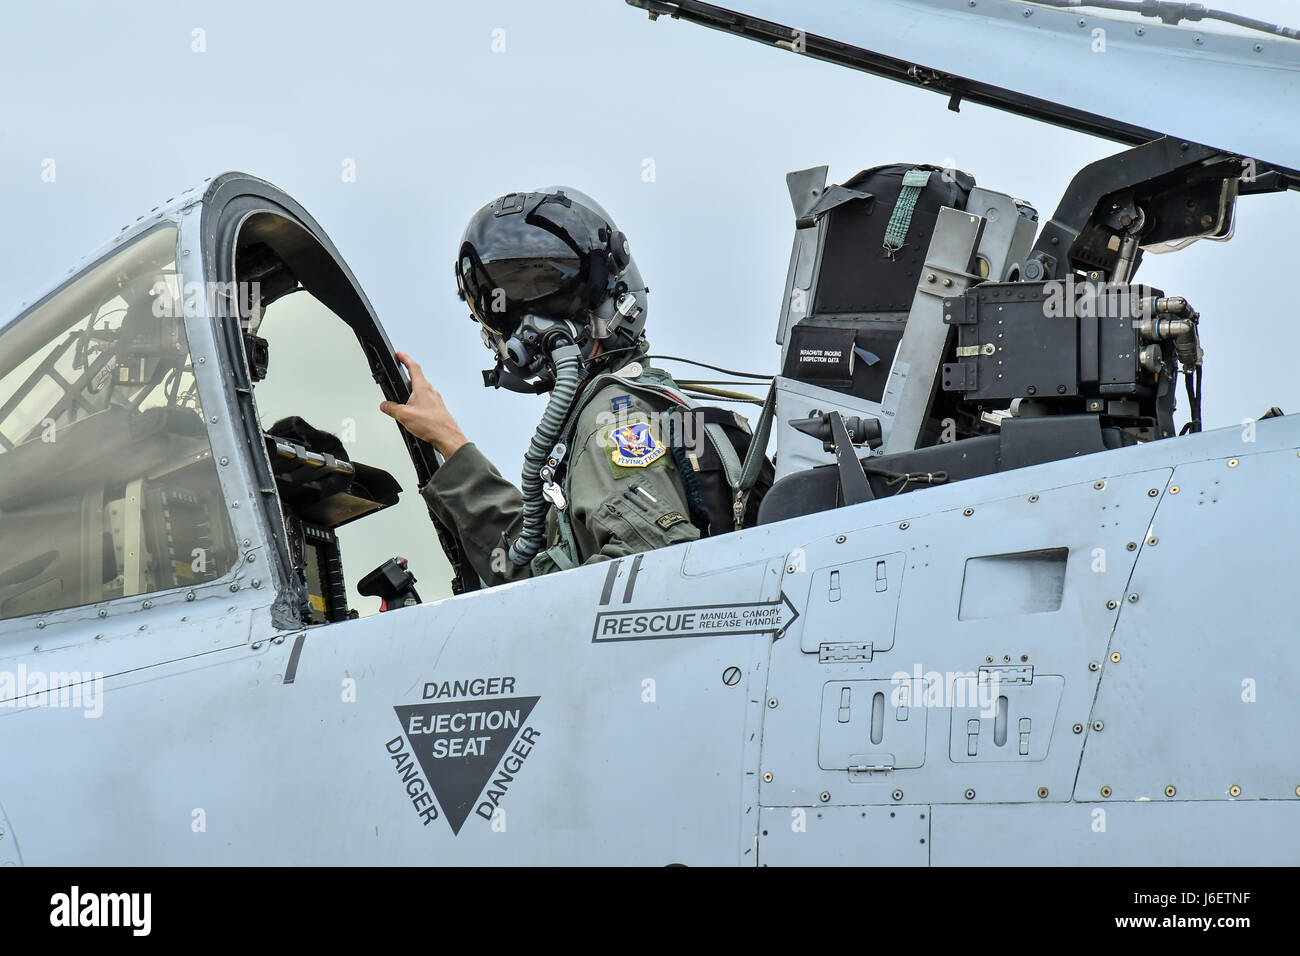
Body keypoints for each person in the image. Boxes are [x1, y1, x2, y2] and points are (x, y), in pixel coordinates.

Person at [380, 188, 705, 586]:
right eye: (512, 305)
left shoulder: (613, 421)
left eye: (553, 290)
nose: (533, 325)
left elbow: (654, 574)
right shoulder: (610, 414)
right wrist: (449, 440)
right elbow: (532, 566)